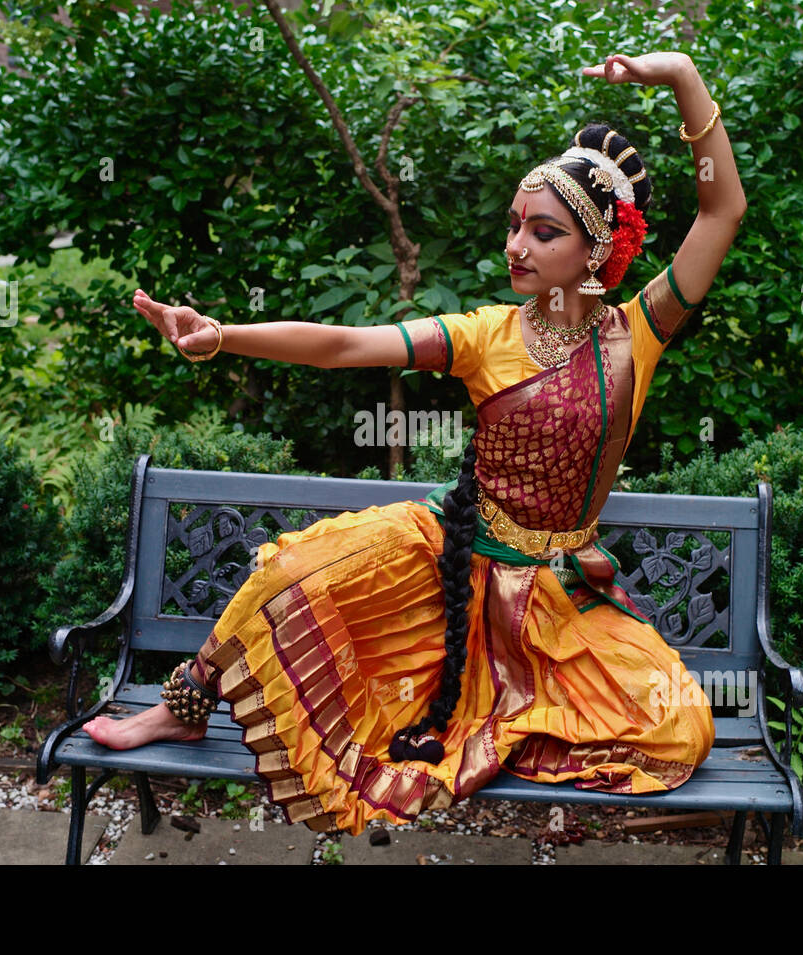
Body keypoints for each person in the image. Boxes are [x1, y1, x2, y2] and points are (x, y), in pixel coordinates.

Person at [85, 52, 747, 837]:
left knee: (682, 724)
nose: (518, 247)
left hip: (555, 597)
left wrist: (681, 78)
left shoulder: (639, 333)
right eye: (513, 226)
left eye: (543, 232)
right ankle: (182, 706)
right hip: (453, 557)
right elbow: (344, 346)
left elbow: (722, 210)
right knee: (297, 568)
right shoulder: (483, 334)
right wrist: (223, 335)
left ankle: (517, 722)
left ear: (597, 249)